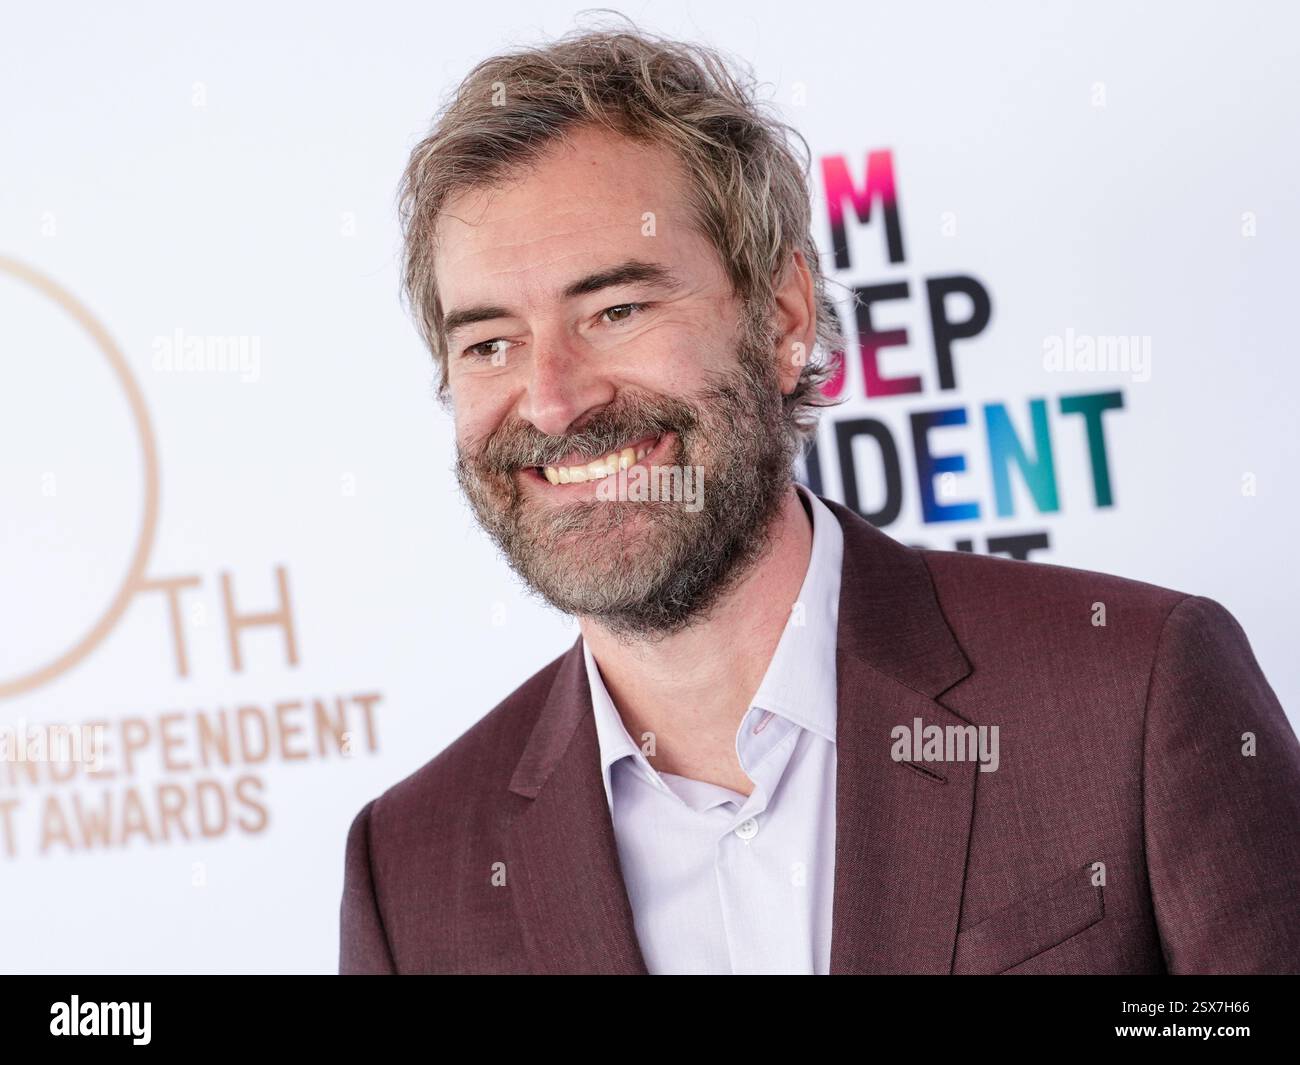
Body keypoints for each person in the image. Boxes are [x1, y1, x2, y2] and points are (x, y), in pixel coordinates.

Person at [340, 20, 1300, 974]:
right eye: (490, 343)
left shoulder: (1133, 694)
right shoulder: (411, 876)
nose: (551, 400)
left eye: (616, 310)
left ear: (784, 317)